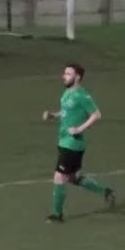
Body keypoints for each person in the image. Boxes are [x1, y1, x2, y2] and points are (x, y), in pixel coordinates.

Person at [42, 63, 116, 223]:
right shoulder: (68, 92)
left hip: (72, 144)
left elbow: (97, 115)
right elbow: (66, 111)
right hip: (63, 140)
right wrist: (53, 116)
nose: (64, 76)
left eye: (68, 74)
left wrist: (79, 129)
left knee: (59, 177)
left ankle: (56, 215)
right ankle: (106, 192)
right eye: (64, 73)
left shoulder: (82, 95)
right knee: (74, 177)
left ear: (77, 77)